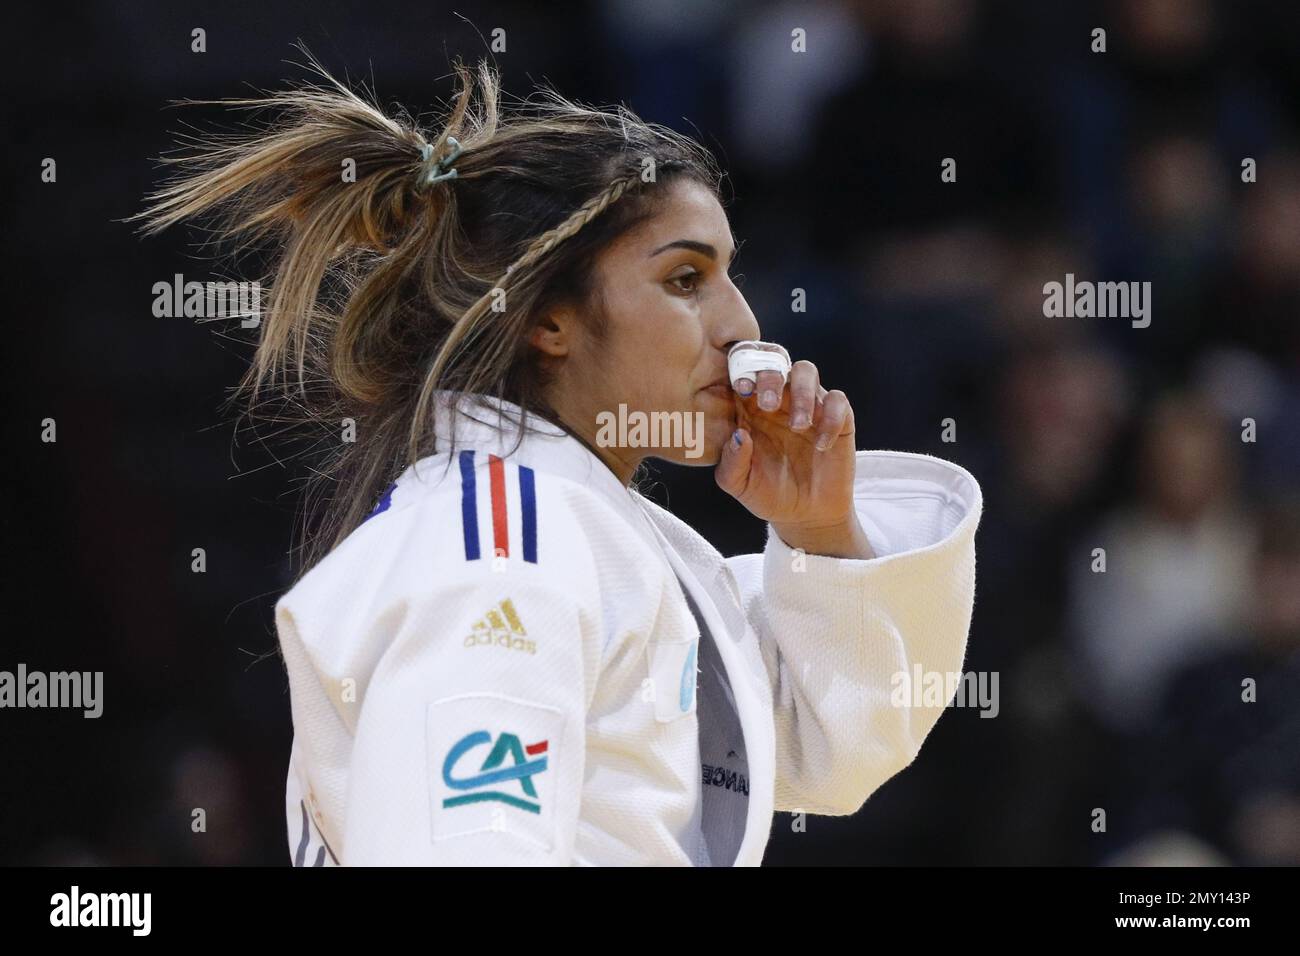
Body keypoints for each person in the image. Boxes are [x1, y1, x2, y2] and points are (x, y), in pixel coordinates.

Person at [134, 57, 982, 866]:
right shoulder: (499, 560)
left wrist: (818, 529)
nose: (743, 329)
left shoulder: (593, 540)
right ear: (548, 319)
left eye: (730, 276)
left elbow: (830, 743)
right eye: (686, 280)